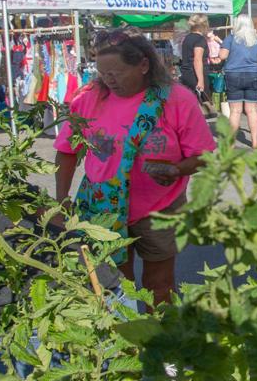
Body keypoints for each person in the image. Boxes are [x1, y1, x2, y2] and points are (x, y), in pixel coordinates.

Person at [52, 33, 215, 305]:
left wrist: (176, 170)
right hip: (103, 208)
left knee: (159, 285)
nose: (109, 80)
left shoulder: (175, 99)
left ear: (143, 65)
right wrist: (60, 200)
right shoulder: (89, 99)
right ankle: (127, 345)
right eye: (103, 73)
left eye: (116, 72)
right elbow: (67, 151)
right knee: (115, 288)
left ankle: (162, 340)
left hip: (159, 209)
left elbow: (203, 155)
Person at [220, 15, 257, 149]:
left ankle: (231, 143)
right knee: (252, 110)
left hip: (233, 75)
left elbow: (222, 56)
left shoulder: (230, 39)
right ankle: (254, 141)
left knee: (235, 111)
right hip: (254, 75)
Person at [179, 14, 212, 108]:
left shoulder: (187, 38)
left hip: (186, 74)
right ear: (204, 25)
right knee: (202, 105)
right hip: (196, 76)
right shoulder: (200, 39)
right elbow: (197, 60)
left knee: (189, 105)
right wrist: (201, 80)